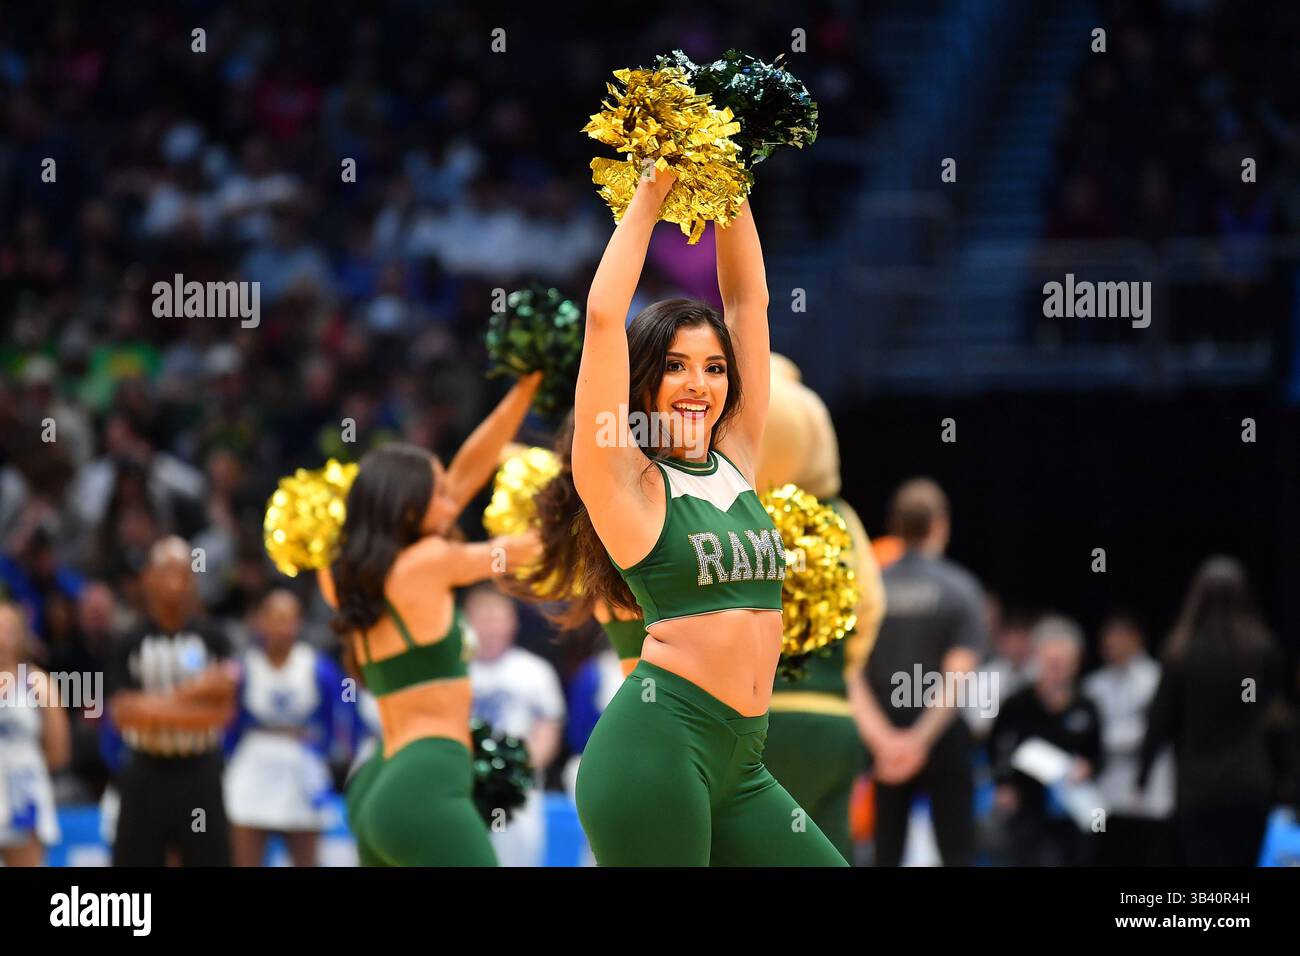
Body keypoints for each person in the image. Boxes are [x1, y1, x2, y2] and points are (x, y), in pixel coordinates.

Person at [567, 166, 846, 865]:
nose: (700, 384)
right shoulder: (625, 479)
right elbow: (603, 319)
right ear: (644, 378)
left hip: (743, 760)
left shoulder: (737, 456)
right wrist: (651, 192)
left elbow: (748, 301)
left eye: (715, 367)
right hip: (657, 749)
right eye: (677, 366)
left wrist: (728, 174)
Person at [318, 372, 543, 866]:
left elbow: (465, 473)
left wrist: (523, 392)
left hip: (380, 781)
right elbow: (525, 550)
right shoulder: (429, 562)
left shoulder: (340, 576)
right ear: (407, 509)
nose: (451, 503)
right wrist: (577, 492)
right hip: (426, 778)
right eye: (438, 495)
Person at [753, 354, 887, 863]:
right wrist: (842, 665)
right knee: (829, 850)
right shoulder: (840, 517)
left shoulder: (735, 513)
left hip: (756, 718)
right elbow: (870, 608)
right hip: (833, 718)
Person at [860, 478, 986, 866]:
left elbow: (852, 673)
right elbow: (957, 678)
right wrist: (919, 741)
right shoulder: (960, 589)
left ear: (894, 525)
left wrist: (886, 742)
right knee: (957, 854)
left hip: (885, 742)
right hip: (941, 738)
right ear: (940, 525)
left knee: (885, 855)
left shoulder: (871, 589)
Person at [1138, 557, 1288, 866]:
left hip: (1198, 786)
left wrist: (1143, 774)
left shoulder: (1181, 652)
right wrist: (1287, 780)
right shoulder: (1263, 650)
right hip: (1250, 782)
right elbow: (1276, 719)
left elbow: (1160, 719)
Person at [106, 536, 238, 866]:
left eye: (182, 571)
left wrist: (148, 707)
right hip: (145, 771)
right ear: (147, 578)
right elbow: (123, 715)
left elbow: (222, 715)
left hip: (200, 771)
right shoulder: (127, 641)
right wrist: (196, 692)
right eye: (165, 570)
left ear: (193, 580)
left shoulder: (213, 637)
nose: (174, 580)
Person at [224, 589, 353, 866]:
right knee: (245, 854)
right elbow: (230, 723)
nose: (283, 627)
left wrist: (329, 751)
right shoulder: (243, 668)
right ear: (261, 621)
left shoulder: (317, 666)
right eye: (276, 618)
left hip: (300, 760)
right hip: (254, 760)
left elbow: (340, 710)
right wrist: (229, 756)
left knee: (306, 856)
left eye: (290, 619)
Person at [989, 615, 1102, 867]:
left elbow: (1097, 753)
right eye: (1051, 663)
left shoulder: (1086, 706)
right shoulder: (1016, 704)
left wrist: (1088, 767)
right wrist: (1003, 783)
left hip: (1073, 807)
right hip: (1027, 807)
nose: (1058, 671)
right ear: (1037, 659)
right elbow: (997, 747)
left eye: (1065, 663)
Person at [465, 584, 565, 866]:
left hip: (519, 792)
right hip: (463, 787)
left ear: (513, 621)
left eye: (497, 617)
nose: (490, 627)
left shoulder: (534, 671)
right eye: (482, 618)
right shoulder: (454, 672)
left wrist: (512, 772)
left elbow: (548, 730)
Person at [1082, 614, 1175, 865]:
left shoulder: (1156, 679)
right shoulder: (1095, 685)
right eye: (1108, 638)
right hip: (1108, 792)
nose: (1113, 644)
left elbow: (1152, 732)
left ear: (1137, 639)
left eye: (1121, 637)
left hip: (1149, 792)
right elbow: (1087, 733)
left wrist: (1106, 738)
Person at [0, 602, 70, 865]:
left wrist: (19, 765)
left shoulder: (37, 682)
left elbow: (59, 752)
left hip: (23, 790)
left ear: (21, 635)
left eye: (8, 630)